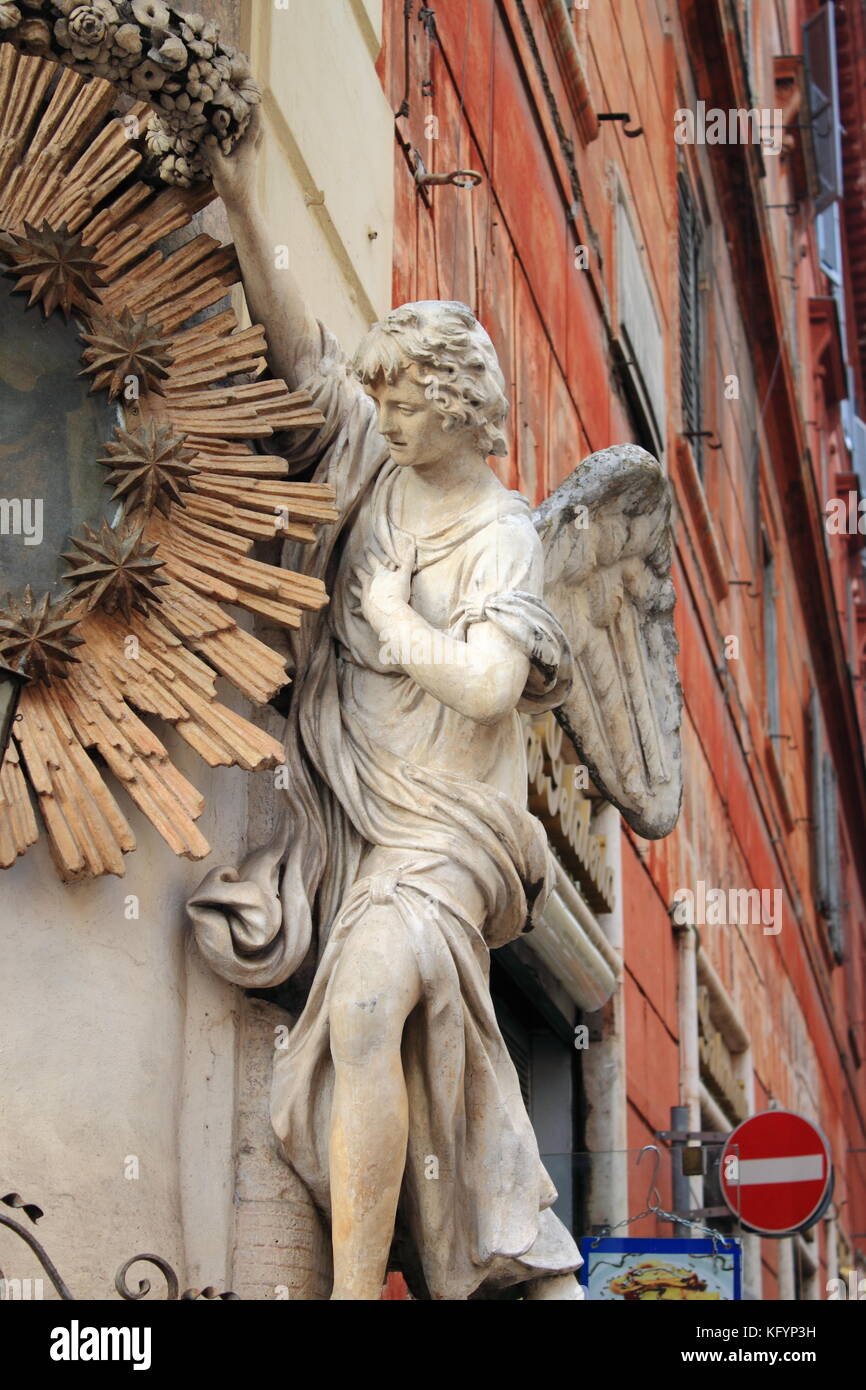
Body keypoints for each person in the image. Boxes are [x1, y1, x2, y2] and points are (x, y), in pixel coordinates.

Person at [189, 114, 584, 1300]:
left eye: (408, 404)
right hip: (360, 810)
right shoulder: (375, 463)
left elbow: (490, 682)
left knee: (362, 1007)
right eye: (386, 404)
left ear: (461, 405)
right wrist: (242, 190)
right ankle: (454, 1255)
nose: (389, 419)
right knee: (393, 1031)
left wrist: (402, 627)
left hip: (450, 831)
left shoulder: (503, 532)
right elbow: (295, 346)